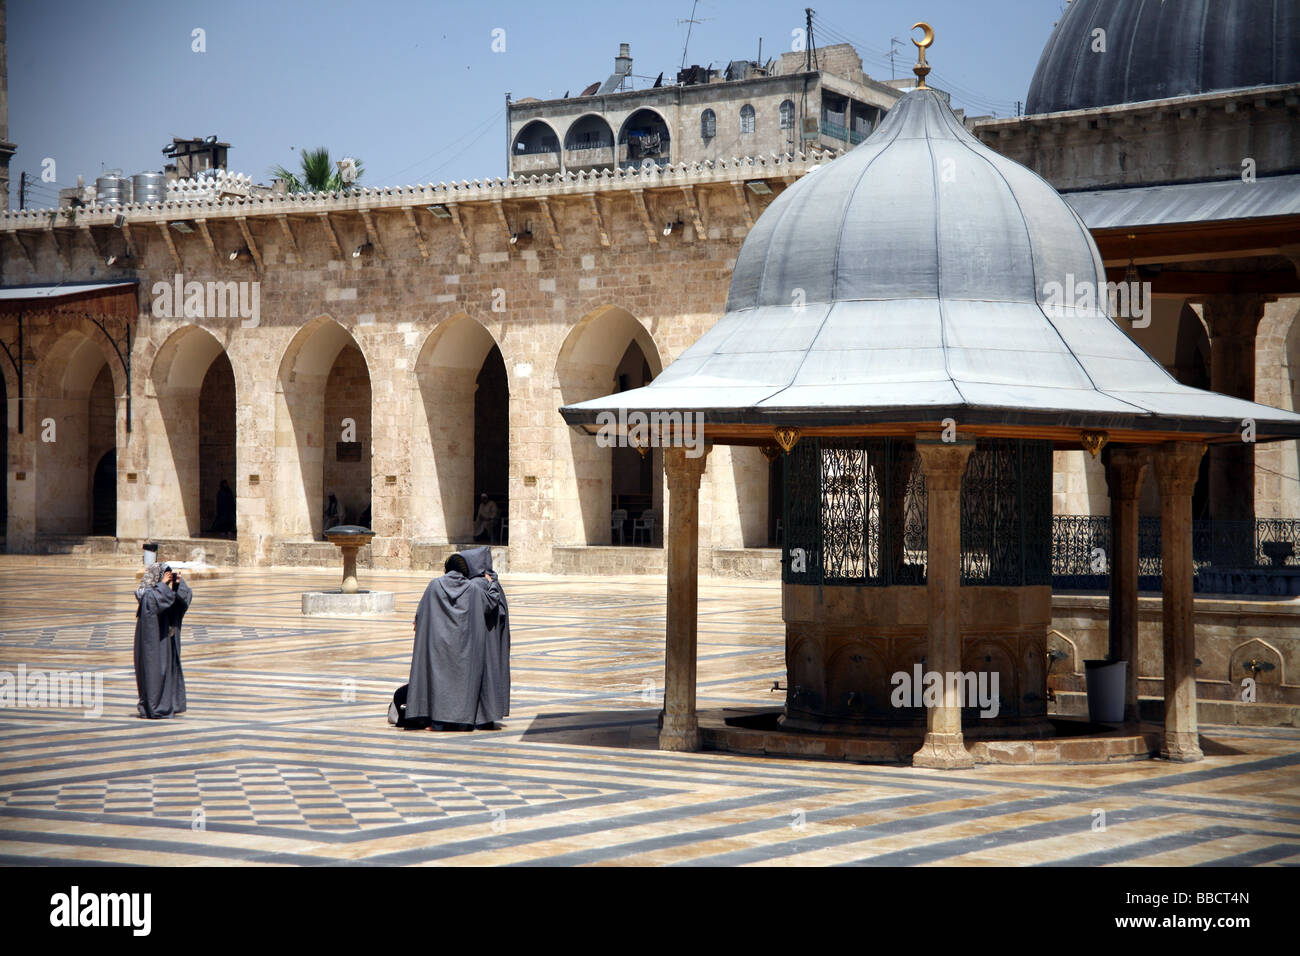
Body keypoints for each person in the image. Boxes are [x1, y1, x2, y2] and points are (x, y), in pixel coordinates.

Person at [405, 547, 510, 730]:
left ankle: (438, 721)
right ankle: (463, 720)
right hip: (465, 647)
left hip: (438, 647)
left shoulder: (434, 585)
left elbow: (421, 614)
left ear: (447, 569)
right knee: (462, 683)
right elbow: (491, 602)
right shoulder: (473, 589)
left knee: (439, 682)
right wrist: (492, 581)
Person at [134, 563, 191, 719]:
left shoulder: (160, 590)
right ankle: (154, 706)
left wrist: (177, 585)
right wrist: (162, 585)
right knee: (154, 671)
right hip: (153, 642)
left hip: (166, 639)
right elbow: (152, 601)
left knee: (168, 670)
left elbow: (179, 601)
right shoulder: (146, 593)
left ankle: (170, 702)